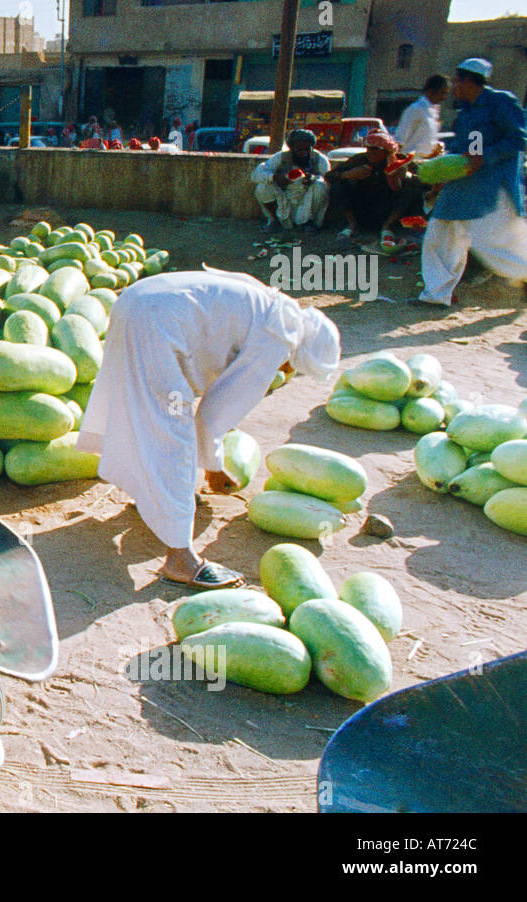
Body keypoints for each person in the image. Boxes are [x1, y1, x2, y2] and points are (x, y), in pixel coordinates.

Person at [75, 268, 341, 589]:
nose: (286, 369)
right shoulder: (278, 339)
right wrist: (213, 467)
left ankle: (149, 495)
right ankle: (181, 559)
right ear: (301, 354)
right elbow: (212, 415)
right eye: (293, 366)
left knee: (142, 408)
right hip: (157, 323)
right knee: (174, 427)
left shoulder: (276, 307)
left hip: (136, 301)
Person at [418, 58, 527, 307]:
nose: (454, 86)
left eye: (457, 80)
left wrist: (484, 156)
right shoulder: (466, 111)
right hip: (463, 184)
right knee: (440, 234)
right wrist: (444, 169)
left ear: (467, 80)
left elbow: (518, 139)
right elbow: (469, 145)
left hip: (491, 186)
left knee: (493, 243)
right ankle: (436, 294)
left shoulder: (501, 102)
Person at [326, 129, 424, 245]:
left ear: (387, 151)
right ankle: (352, 225)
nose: (370, 153)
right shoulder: (360, 159)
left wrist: (404, 176)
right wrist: (348, 174)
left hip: (389, 209)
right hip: (363, 206)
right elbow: (329, 176)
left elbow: (422, 180)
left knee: (410, 188)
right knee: (339, 185)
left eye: (375, 150)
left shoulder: (401, 160)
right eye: (369, 149)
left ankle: (387, 227)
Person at [252, 128, 331, 233]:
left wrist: (313, 178)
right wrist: (276, 177)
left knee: (321, 185)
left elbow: (328, 181)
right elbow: (257, 174)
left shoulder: (320, 159)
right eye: (300, 150)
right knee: (262, 188)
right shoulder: (281, 157)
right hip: (284, 197)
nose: (304, 153)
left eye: (307, 149)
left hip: (307, 198)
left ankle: (309, 223)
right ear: (291, 148)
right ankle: (274, 221)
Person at [395, 75, 449, 159]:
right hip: (410, 163)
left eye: (446, 93)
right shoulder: (415, 109)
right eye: (442, 93)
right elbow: (400, 139)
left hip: (428, 164)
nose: (444, 97)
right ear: (431, 91)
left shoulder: (434, 112)